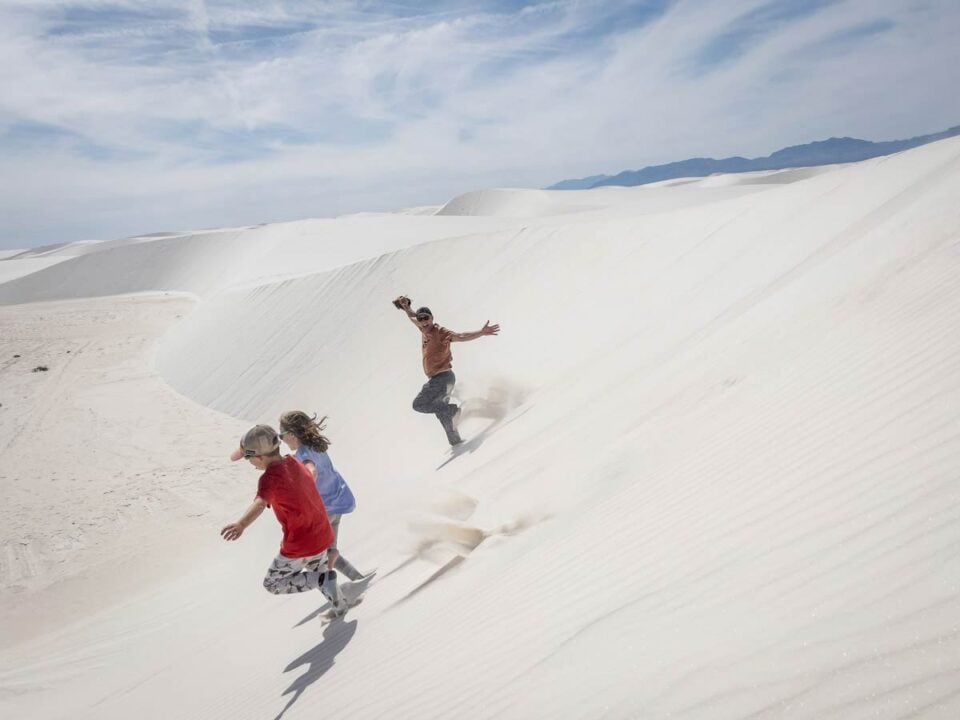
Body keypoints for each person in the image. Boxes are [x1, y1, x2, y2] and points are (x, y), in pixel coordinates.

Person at [221, 424, 348, 616]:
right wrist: (310, 468)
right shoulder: (294, 462)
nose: (250, 462)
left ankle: (325, 584)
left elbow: (260, 503)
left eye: (248, 458)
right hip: (323, 534)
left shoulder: (269, 479)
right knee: (319, 572)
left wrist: (241, 524)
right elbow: (309, 469)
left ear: (259, 457)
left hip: (301, 544)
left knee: (273, 583)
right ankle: (340, 605)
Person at [392, 295, 500, 446]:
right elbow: (412, 317)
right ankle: (455, 441)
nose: (423, 321)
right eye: (420, 319)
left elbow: (461, 336)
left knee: (419, 404)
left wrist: (480, 332)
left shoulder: (441, 333)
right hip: (441, 379)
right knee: (441, 413)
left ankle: (453, 410)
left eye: (426, 318)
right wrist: (406, 307)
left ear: (432, 318)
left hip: (442, 378)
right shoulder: (423, 329)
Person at [278, 410, 369, 581]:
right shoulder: (316, 446)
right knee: (329, 552)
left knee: (306, 554)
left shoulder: (303, 454)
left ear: (291, 434)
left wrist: (306, 481)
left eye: (281, 435)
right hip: (338, 504)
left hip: (324, 512)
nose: (281, 440)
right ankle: (357, 578)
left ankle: (333, 589)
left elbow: (311, 470)